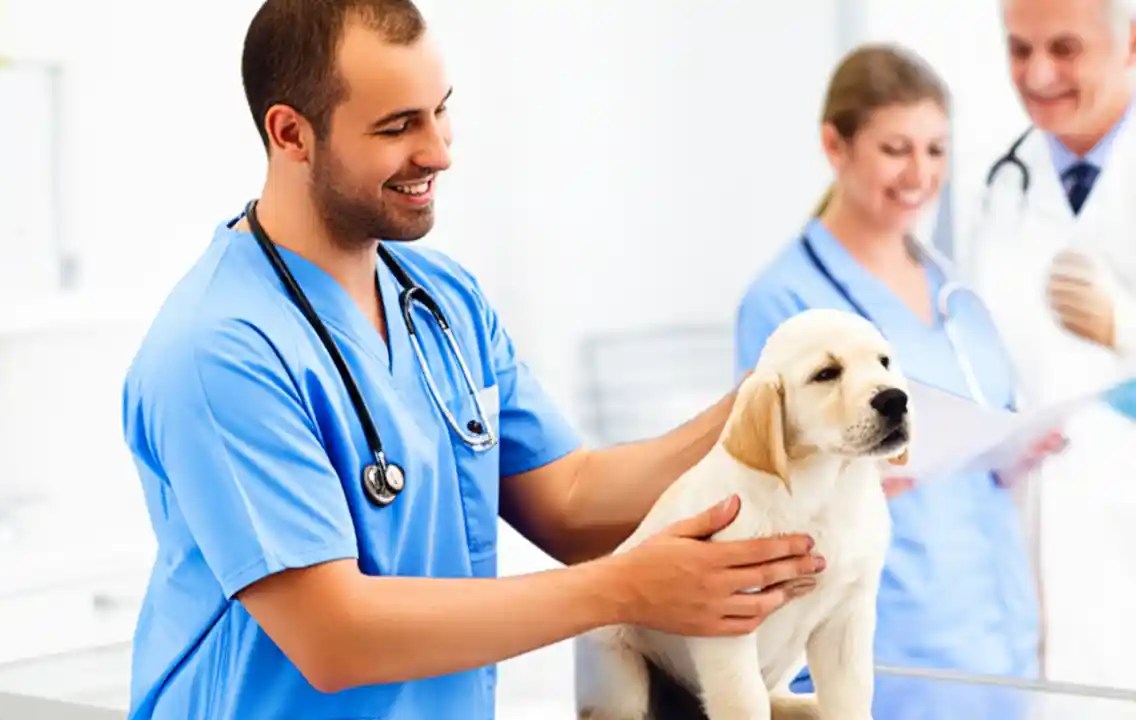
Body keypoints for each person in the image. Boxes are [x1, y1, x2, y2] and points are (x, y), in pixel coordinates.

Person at [118, 1, 824, 717]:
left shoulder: (442, 299)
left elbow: (571, 502)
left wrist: (768, 403)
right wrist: (627, 588)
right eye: (398, 127)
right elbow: (334, 636)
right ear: (291, 133)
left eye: (439, 112)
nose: (439, 151)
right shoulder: (219, 350)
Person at [734, 44, 1060, 719]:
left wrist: (1012, 445)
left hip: (996, 633)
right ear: (836, 145)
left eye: (937, 150)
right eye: (896, 149)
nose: (921, 174)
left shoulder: (952, 287)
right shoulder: (786, 302)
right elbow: (768, 479)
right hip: (887, 645)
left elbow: (981, 427)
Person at [966, 0, 1136, 691]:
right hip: (1023, 542)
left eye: (1064, 49)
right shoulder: (1000, 184)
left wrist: (1124, 330)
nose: (1037, 74)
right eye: (1019, 48)